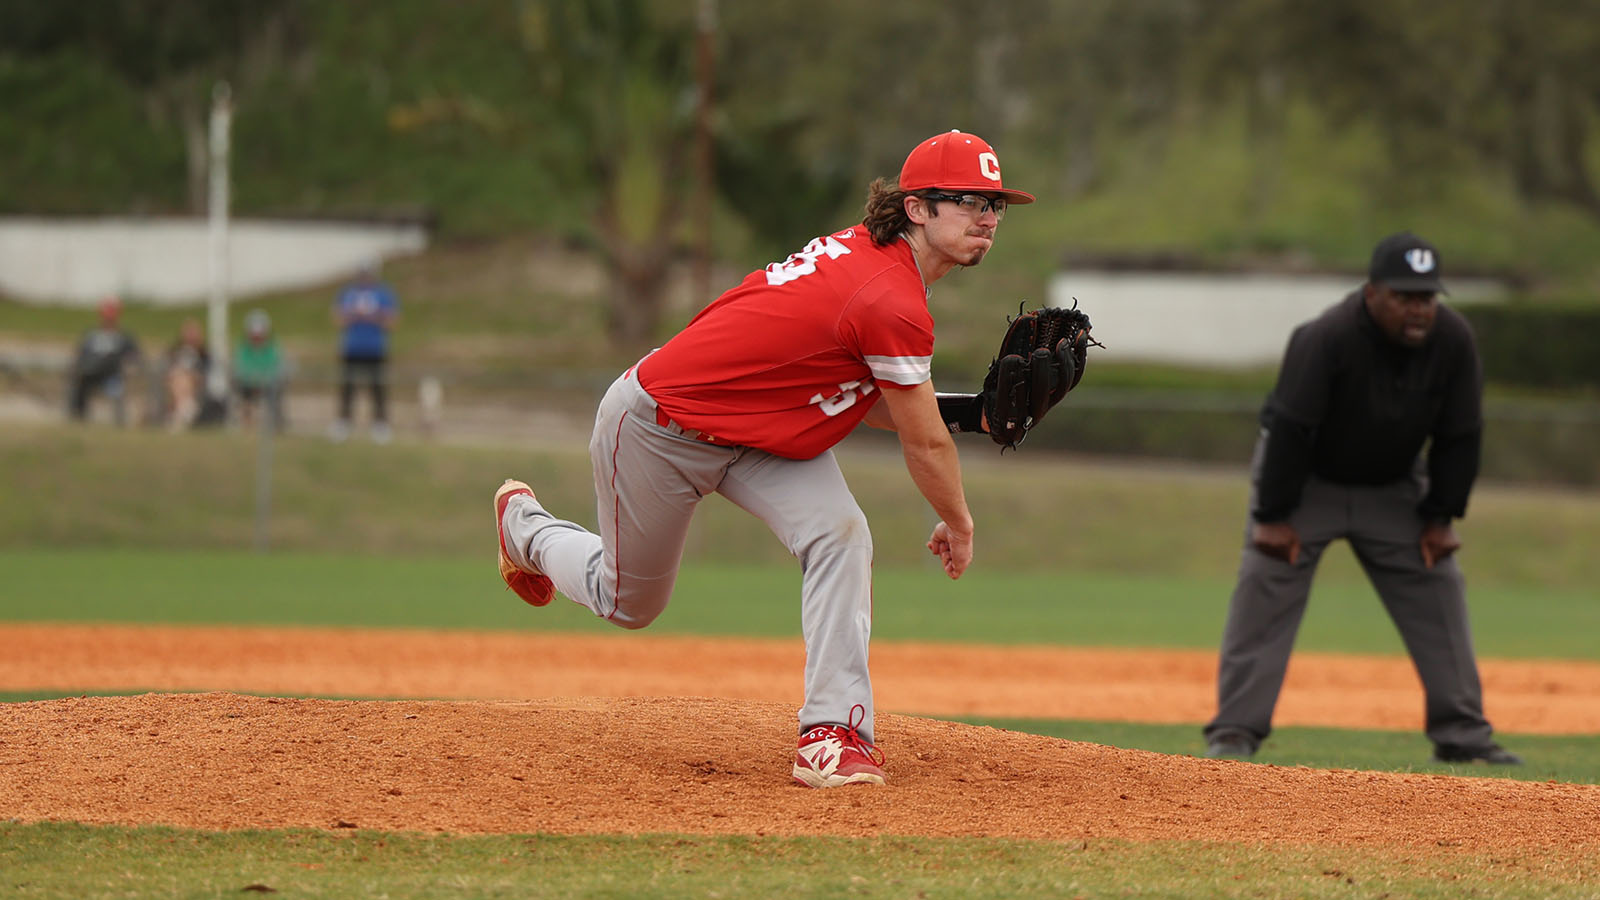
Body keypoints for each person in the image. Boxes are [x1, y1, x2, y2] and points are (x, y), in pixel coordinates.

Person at [494, 130, 1033, 788]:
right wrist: (960, 520)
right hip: (661, 428)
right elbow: (921, 440)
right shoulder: (887, 295)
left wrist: (974, 413)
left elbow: (859, 394)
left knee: (841, 535)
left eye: (995, 204)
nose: (987, 217)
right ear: (916, 209)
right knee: (627, 601)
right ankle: (525, 528)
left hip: (761, 435)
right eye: (967, 200)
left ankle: (830, 734)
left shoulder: (880, 266)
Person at [1204, 231, 1522, 766]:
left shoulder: (1454, 341)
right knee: (1265, 588)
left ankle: (1463, 734)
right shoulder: (1326, 337)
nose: (1418, 309)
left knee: (1438, 587)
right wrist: (1273, 515)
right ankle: (1234, 732)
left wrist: (1442, 516)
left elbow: (1460, 434)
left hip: (1393, 488)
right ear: (1372, 293)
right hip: (1305, 484)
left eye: (1427, 297)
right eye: (1404, 297)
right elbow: (1289, 429)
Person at [330, 259, 398, 443]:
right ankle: (344, 421)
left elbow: (392, 322)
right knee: (348, 387)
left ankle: (380, 424)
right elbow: (337, 319)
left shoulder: (384, 294)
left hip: (375, 348)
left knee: (378, 388)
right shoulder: (348, 293)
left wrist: (373, 316)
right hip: (352, 348)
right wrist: (354, 315)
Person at [67, 296, 142, 425]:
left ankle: (118, 421)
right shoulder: (91, 335)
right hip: (91, 376)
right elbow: (80, 354)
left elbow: (135, 356)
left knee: (111, 367)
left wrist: (128, 367)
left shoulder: (123, 336)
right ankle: (79, 418)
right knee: (80, 383)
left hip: (113, 376)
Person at [234, 309, 288, 430]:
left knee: (275, 391)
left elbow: (278, 369)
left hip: (268, 385)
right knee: (243, 393)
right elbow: (240, 370)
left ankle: (276, 424)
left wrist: (263, 381)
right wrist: (254, 381)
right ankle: (247, 424)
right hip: (248, 385)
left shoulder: (272, 349)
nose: (257, 337)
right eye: (254, 334)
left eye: (259, 334)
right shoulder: (243, 349)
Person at [158, 317, 212, 431]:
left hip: (195, 389)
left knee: (183, 379)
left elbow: (206, 374)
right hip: (174, 386)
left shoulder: (204, 354)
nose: (191, 336)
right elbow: (166, 369)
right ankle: (183, 411)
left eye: (194, 333)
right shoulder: (175, 351)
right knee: (179, 378)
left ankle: (180, 414)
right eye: (188, 333)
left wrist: (191, 376)